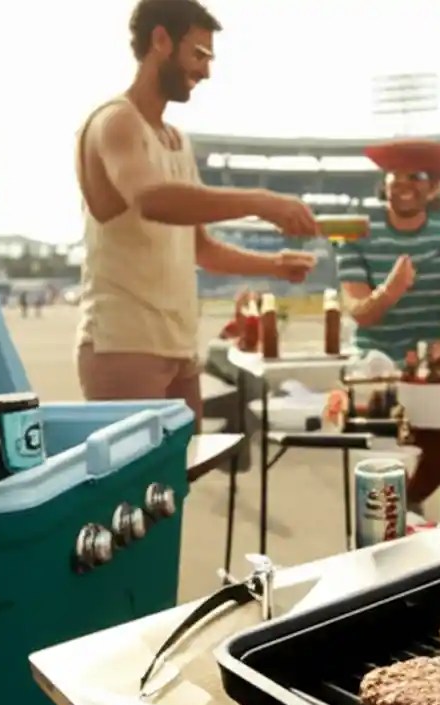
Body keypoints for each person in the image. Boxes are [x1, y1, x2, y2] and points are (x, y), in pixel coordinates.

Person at [74, 0, 321, 421]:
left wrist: (275, 266)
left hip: (180, 347)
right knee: (135, 487)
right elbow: (150, 199)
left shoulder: (177, 140)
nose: (206, 71)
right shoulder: (115, 122)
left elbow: (200, 249)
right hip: (124, 345)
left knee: (179, 483)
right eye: (199, 54)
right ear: (160, 40)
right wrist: (260, 202)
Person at [336, 139, 440, 506]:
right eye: (394, 174)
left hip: (427, 381)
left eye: (415, 175)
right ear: (383, 183)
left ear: (434, 187)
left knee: (420, 486)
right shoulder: (357, 235)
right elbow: (359, 310)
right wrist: (391, 290)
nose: (403, 183)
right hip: (373, 377)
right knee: (378, 494)